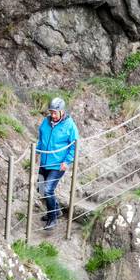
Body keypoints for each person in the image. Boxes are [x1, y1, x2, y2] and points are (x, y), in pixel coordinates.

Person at [36, 97, 78, 230]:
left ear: (62, 111)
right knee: (41, 189)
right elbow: (41, 139)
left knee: (48, 189)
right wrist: (36, 151)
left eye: (55, 112)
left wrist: (67, 161)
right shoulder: (45, 122)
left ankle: (52, 218)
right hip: (44, 162)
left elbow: (74, 145)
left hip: (58, 165)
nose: (53, 115)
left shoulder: (69, 125)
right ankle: (56, 210)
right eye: (51, 112)